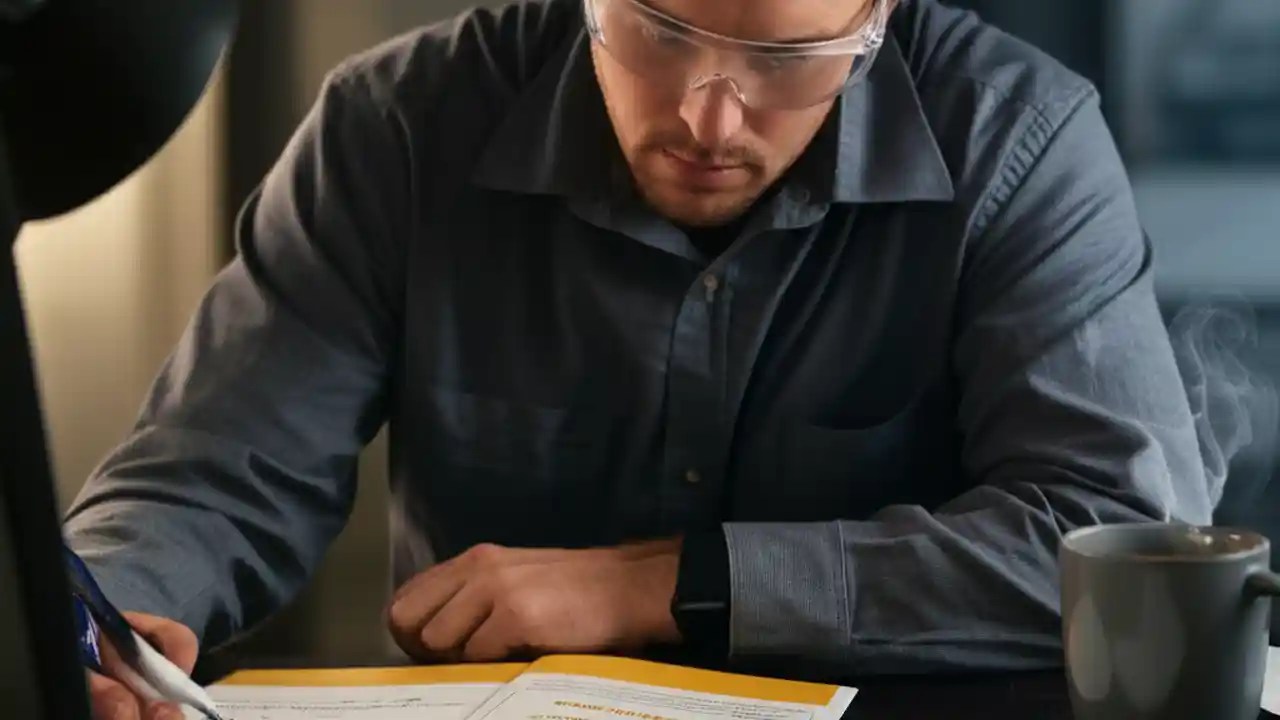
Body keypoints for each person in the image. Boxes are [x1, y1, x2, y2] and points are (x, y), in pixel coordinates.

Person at [67, 0, 1215, 717]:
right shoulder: (396, 128)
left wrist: (659, 584)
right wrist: (96, 628)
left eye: (788, 61)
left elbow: (1115, 545)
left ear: (876, 21)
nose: (710, 120)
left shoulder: (1018, 141)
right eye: (661, 36)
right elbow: (209, 476)